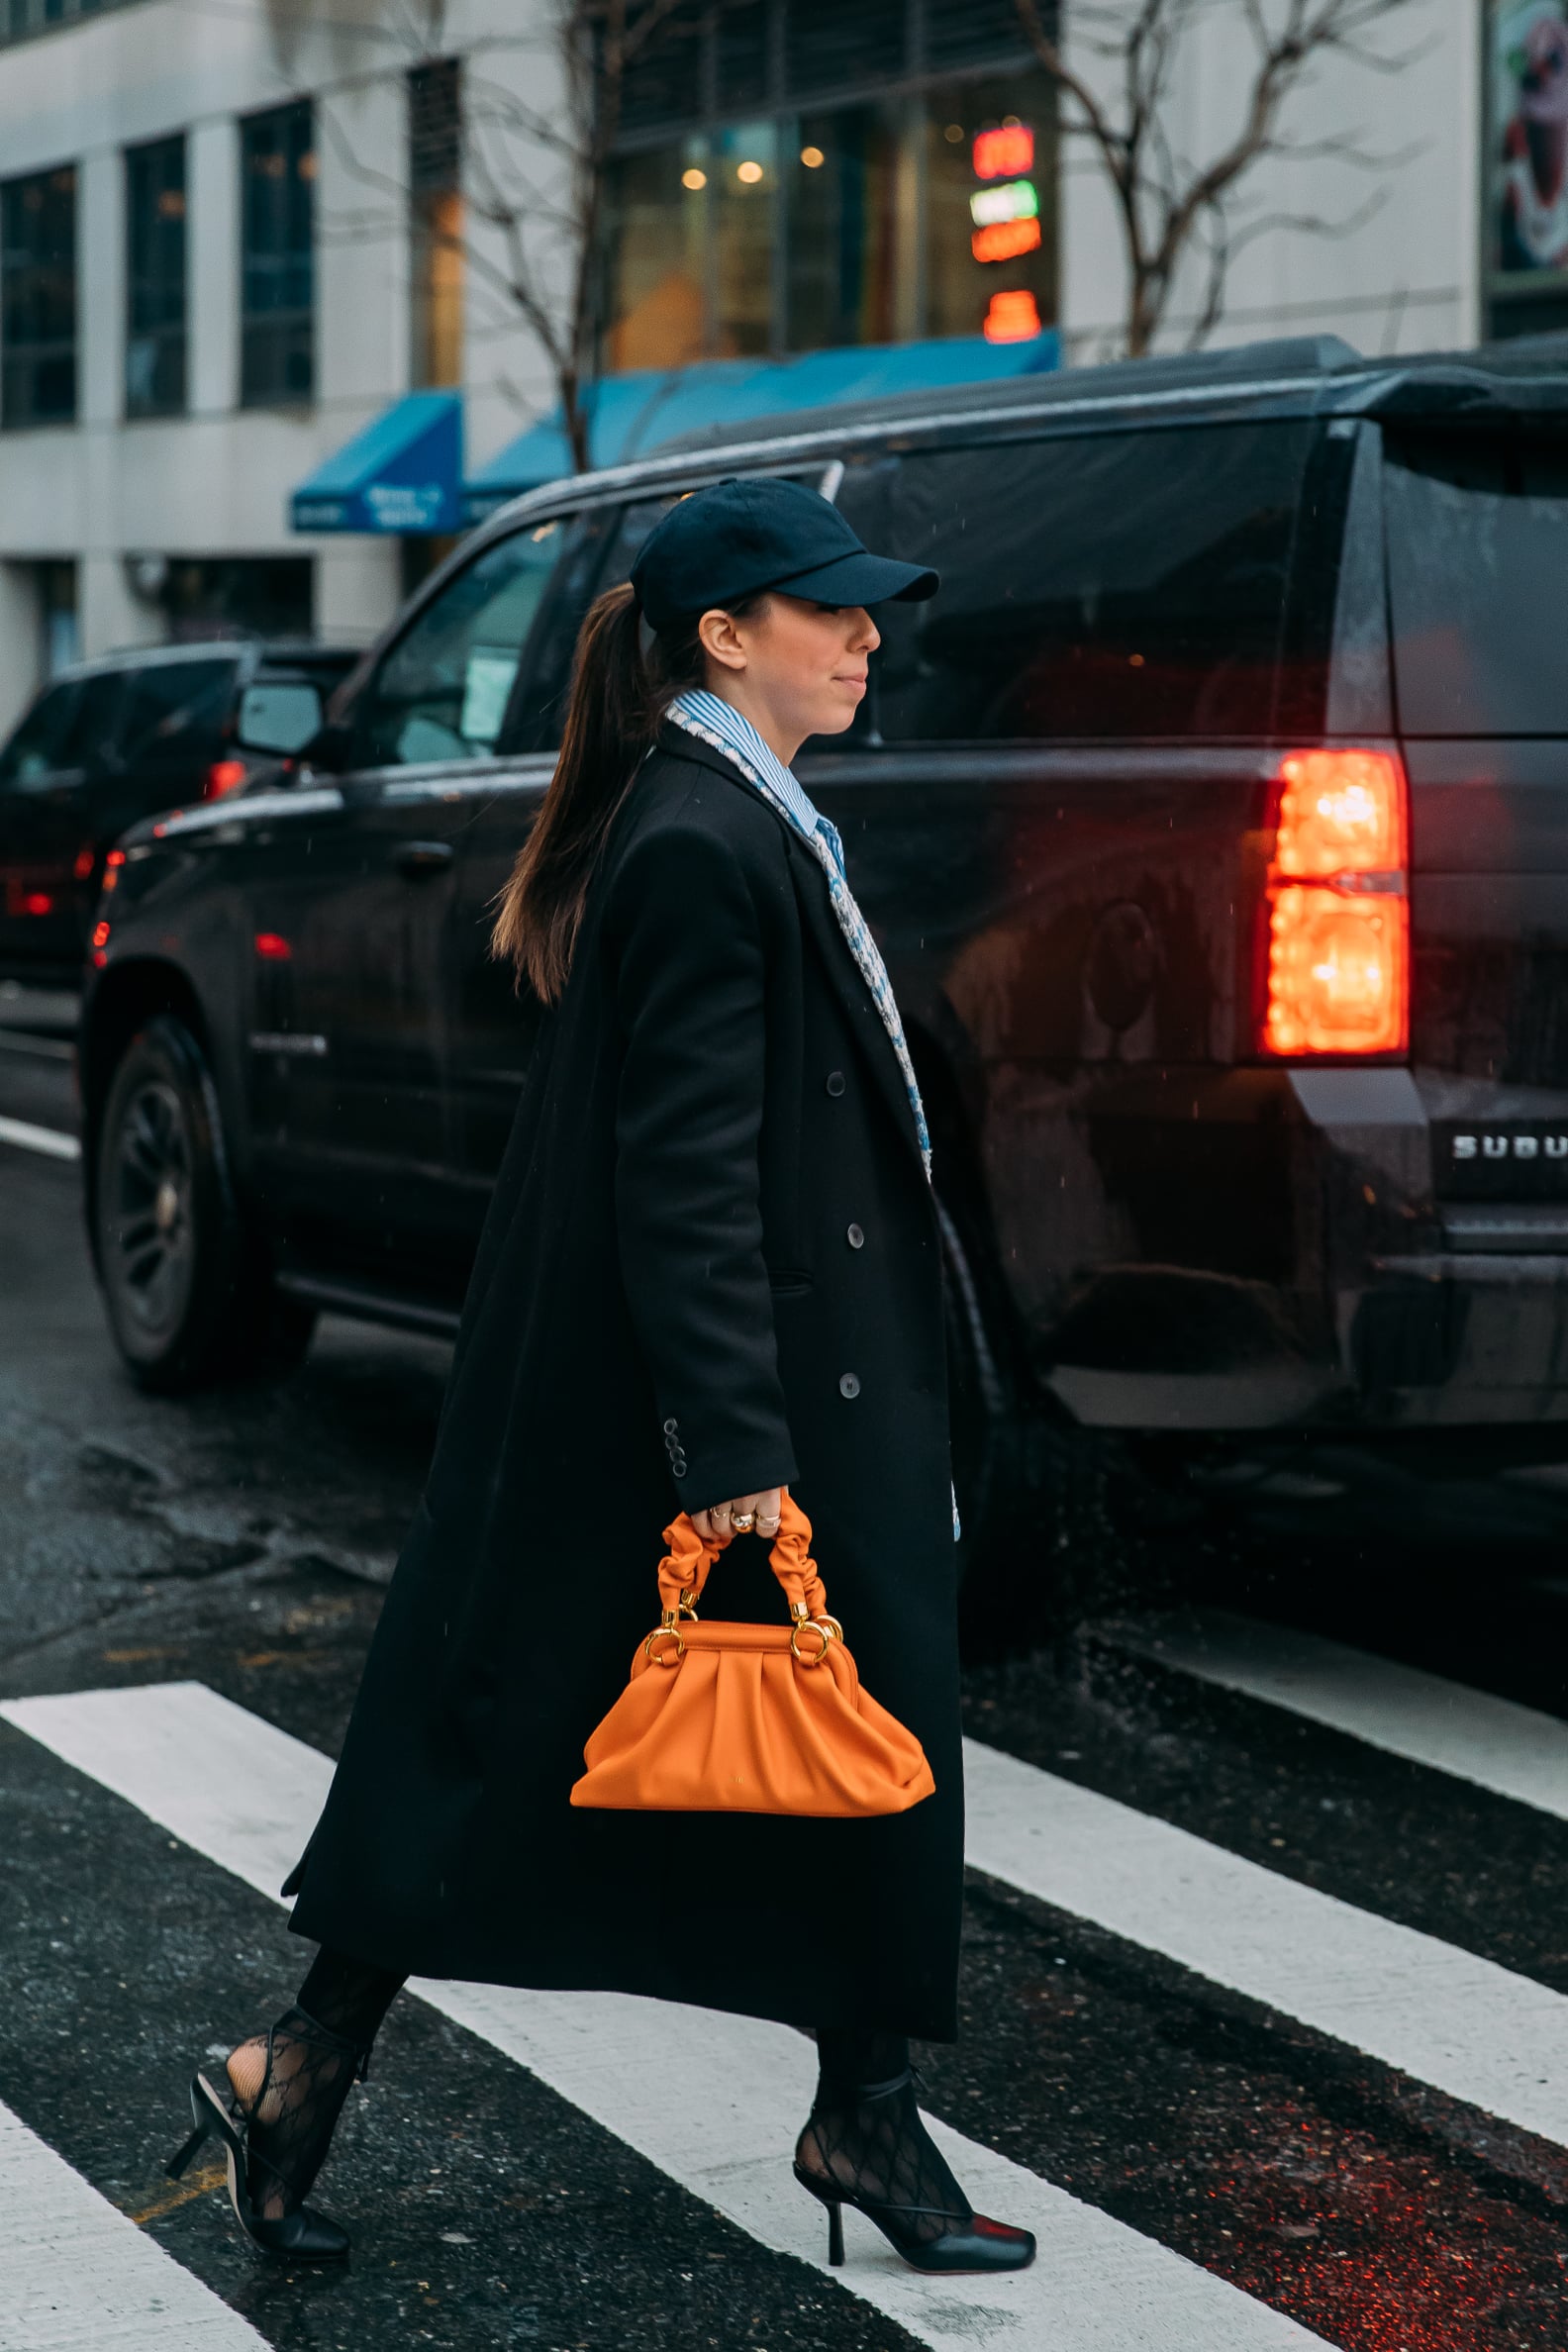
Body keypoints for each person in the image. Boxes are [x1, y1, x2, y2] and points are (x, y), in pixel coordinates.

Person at [165, 476, 1035, 2278]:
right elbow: (685, 1173)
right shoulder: (708, 840)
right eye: (835, 610)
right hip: (737, 1401)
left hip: (767, 1383)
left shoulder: (738, 814)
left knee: (792, 1744)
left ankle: (859, 2108)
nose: (873, 635)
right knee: (529, 1749)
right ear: (726, 638)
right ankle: (304, 2066)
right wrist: (736, 1450)